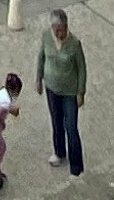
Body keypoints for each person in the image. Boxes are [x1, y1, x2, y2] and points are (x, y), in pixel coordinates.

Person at [34, 10, 88, 174]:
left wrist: (80, 92)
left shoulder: (74, 44)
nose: (59, 33)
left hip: (69, 92)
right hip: (52, 88)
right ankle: (59, 153)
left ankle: (76, 166)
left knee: (71, 127)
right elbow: (41, 57)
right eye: (56, 30)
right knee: (56, 122)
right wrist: (39, 78)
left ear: (66, 27)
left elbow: (82, 69)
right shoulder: (46, 37)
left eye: (62, 29)